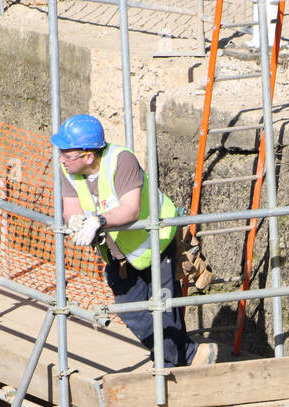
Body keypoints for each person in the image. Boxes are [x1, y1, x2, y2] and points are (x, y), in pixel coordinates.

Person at [53, 113, 215, 368]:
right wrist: (74, 221)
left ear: (88, 155)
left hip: (156, 244)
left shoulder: (121, 161)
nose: (61, 158)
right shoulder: (69, 169)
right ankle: (190, 355)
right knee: (132, 310)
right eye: (61, 151)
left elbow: (131, 209)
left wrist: (98, 221)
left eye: (67, 153)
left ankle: (172, 370)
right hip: (120, 255)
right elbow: (71, 207)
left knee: (164, 313)